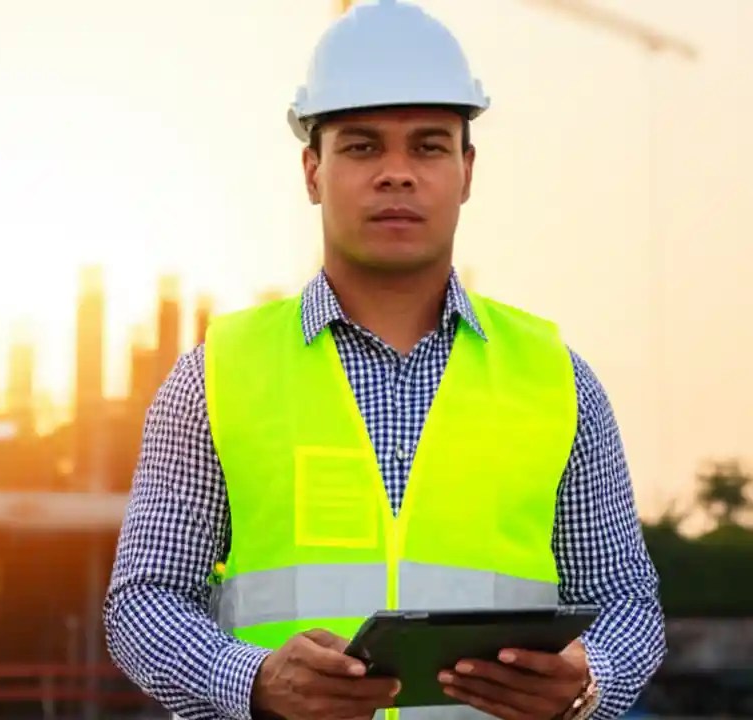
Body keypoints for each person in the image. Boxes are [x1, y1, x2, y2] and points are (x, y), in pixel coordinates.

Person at [103, 2, 665, 719]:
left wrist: (588, 683)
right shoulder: (214, 377)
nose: (397, 174)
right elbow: (144, 601)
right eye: (363, 147)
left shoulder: (558, 380)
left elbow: (626, 602)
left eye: (428, 147)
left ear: (466, 171)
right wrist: (254, 680)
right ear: (312, 170)